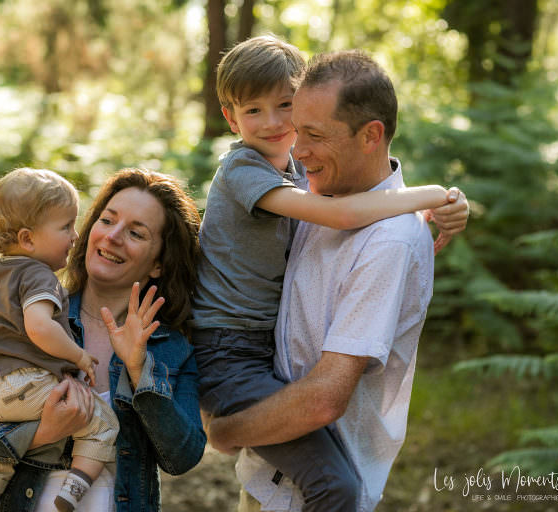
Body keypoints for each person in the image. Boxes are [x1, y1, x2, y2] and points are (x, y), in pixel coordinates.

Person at [191, 36, 467, 511]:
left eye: (300, 123)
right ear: (231, 117)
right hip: (236, 369)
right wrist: (433, 196)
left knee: (335, 488)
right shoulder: (269, 175)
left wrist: (435, 208)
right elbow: (345, 218)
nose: (289, 136)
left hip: (291, 457)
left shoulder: (381, 231)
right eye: (257, 111)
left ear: (370, 135)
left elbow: (376, 242)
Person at [0, 168, 206, 512]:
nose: (112, 237)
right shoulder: (29, 313)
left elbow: (182, 457)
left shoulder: (170, 346)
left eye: (136, 233)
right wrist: (42, 433)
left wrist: (140, 370)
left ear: (158, 263)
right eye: (107, 220)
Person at [0, 168, 120, 512]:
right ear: (28, 239)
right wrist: (79, 357)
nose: (75, 236)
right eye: (65, 227)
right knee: (102, 421)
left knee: (2, 445)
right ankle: (74, 489)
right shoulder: (39, 275)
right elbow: (39, 327)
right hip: (28, 381)